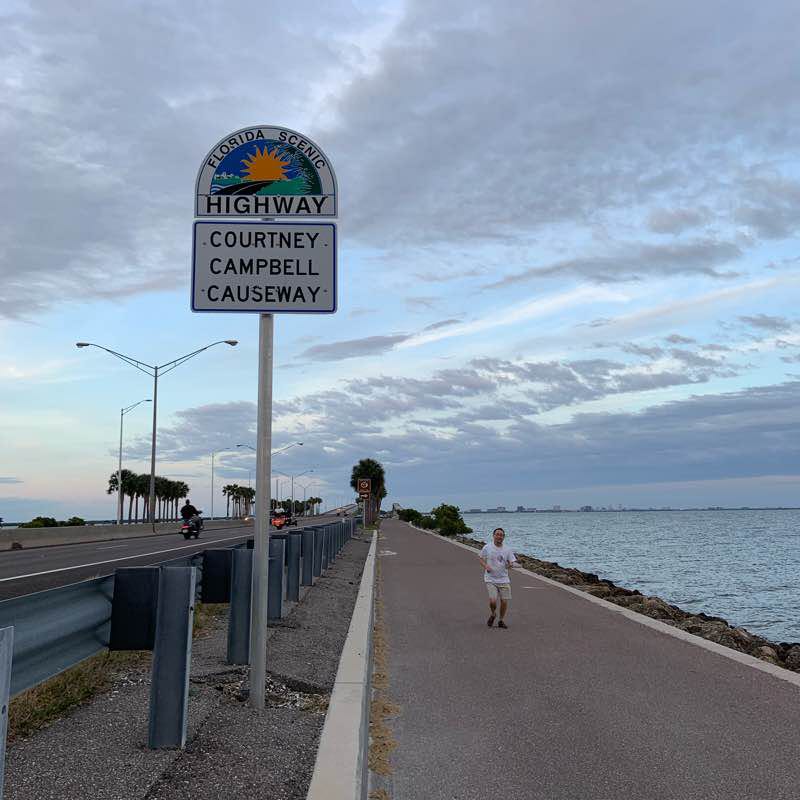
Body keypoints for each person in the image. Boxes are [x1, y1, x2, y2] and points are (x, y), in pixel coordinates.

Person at [479, 527, 518, 628]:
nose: (499, 536)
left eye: (501, 535)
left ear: (503, 537)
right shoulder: (487, 547)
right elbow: (481, 558)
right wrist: (485, 566)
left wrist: (510, 565)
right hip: (490, 578)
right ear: (493, 536)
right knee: (493, 600)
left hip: (504, 579)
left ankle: (501, 620)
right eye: (497, 534)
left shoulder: (507, 549)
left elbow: (512, 561)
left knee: (504, 601)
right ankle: (493, 614)